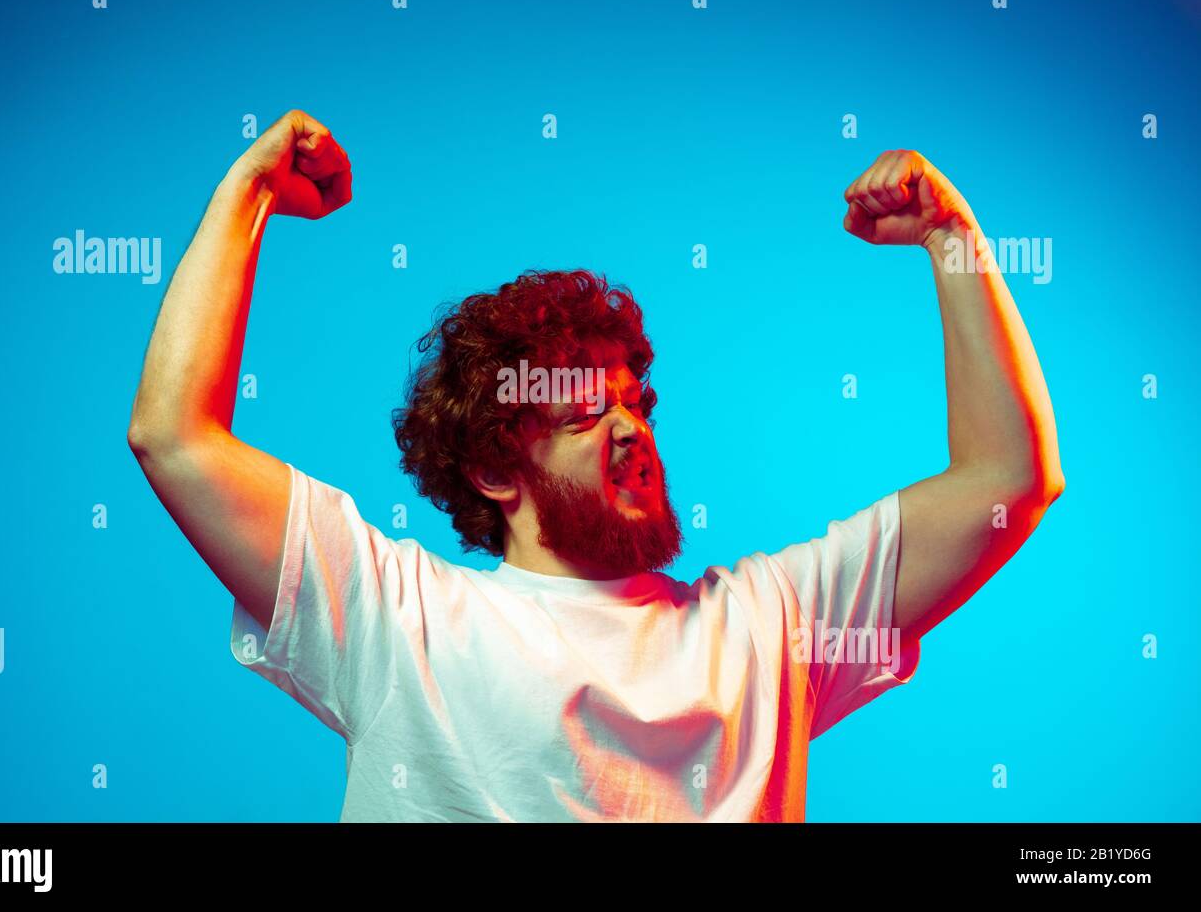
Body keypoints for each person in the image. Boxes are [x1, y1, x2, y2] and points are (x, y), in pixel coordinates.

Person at [127, 109, 1064, 822]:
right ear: (499, 470)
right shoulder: (390, 618)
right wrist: (248, 190)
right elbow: (174, 437)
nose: (629, 427)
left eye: (636, 404)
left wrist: (955, 240)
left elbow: (1009, 482)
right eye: (586, 410)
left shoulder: (772, 623)